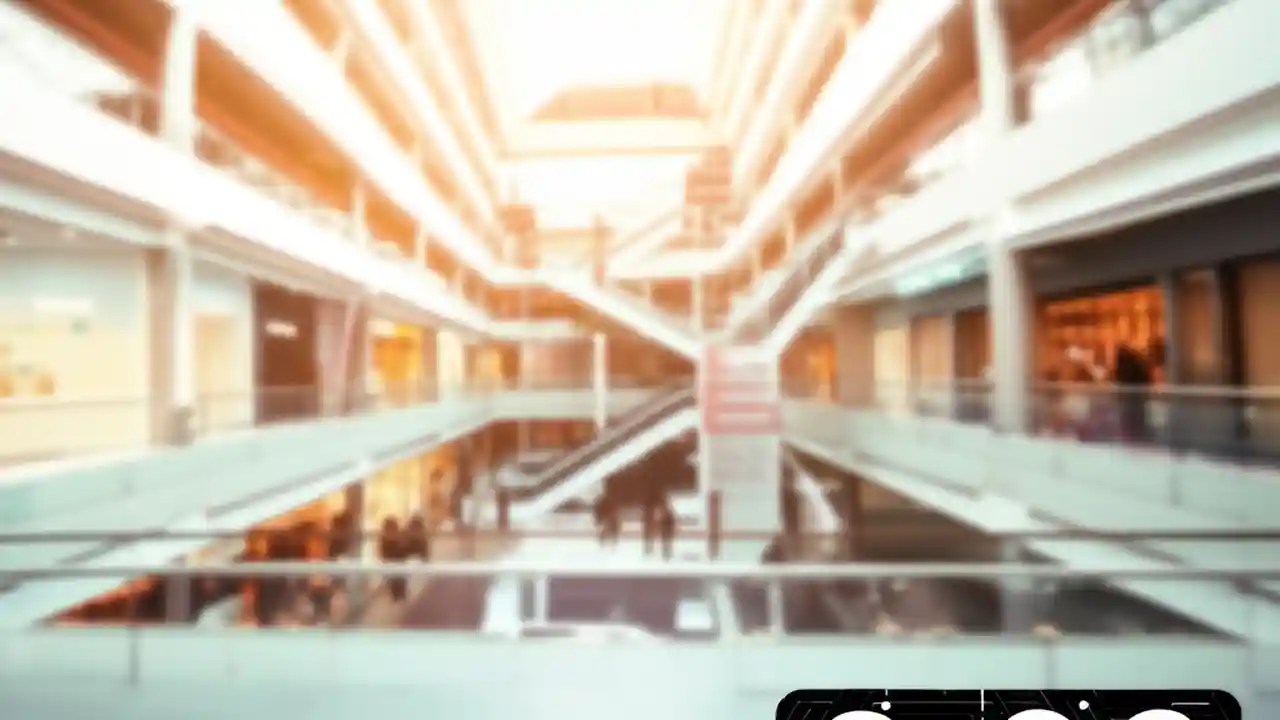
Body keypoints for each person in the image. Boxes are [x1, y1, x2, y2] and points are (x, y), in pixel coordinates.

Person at [378, 517, 406, 603]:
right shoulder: (384, 538)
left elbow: (403, 552)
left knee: (398, 581)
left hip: (398, 564)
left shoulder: (400, 537)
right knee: (394, 581)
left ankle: (399, 596)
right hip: (391, 564)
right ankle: (397, 596)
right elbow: (382, 552)